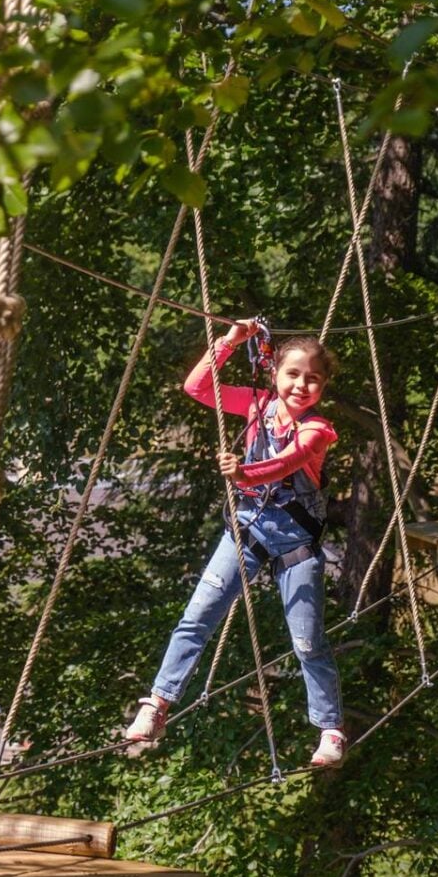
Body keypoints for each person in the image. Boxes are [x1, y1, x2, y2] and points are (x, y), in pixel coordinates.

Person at [127, 318, 346, 767]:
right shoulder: (257, 404)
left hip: (295, 545)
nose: (301, 385)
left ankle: (330, 729)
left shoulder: (317, 429)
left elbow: (290, 461)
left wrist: (244, 473)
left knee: (307, 642)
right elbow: (197, 387)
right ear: (274, 373)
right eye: (292, 374)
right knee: (197, 616)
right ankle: (158, 702)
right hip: (246, 531)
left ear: (322, 386)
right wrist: (230, 341)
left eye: (312, 379)